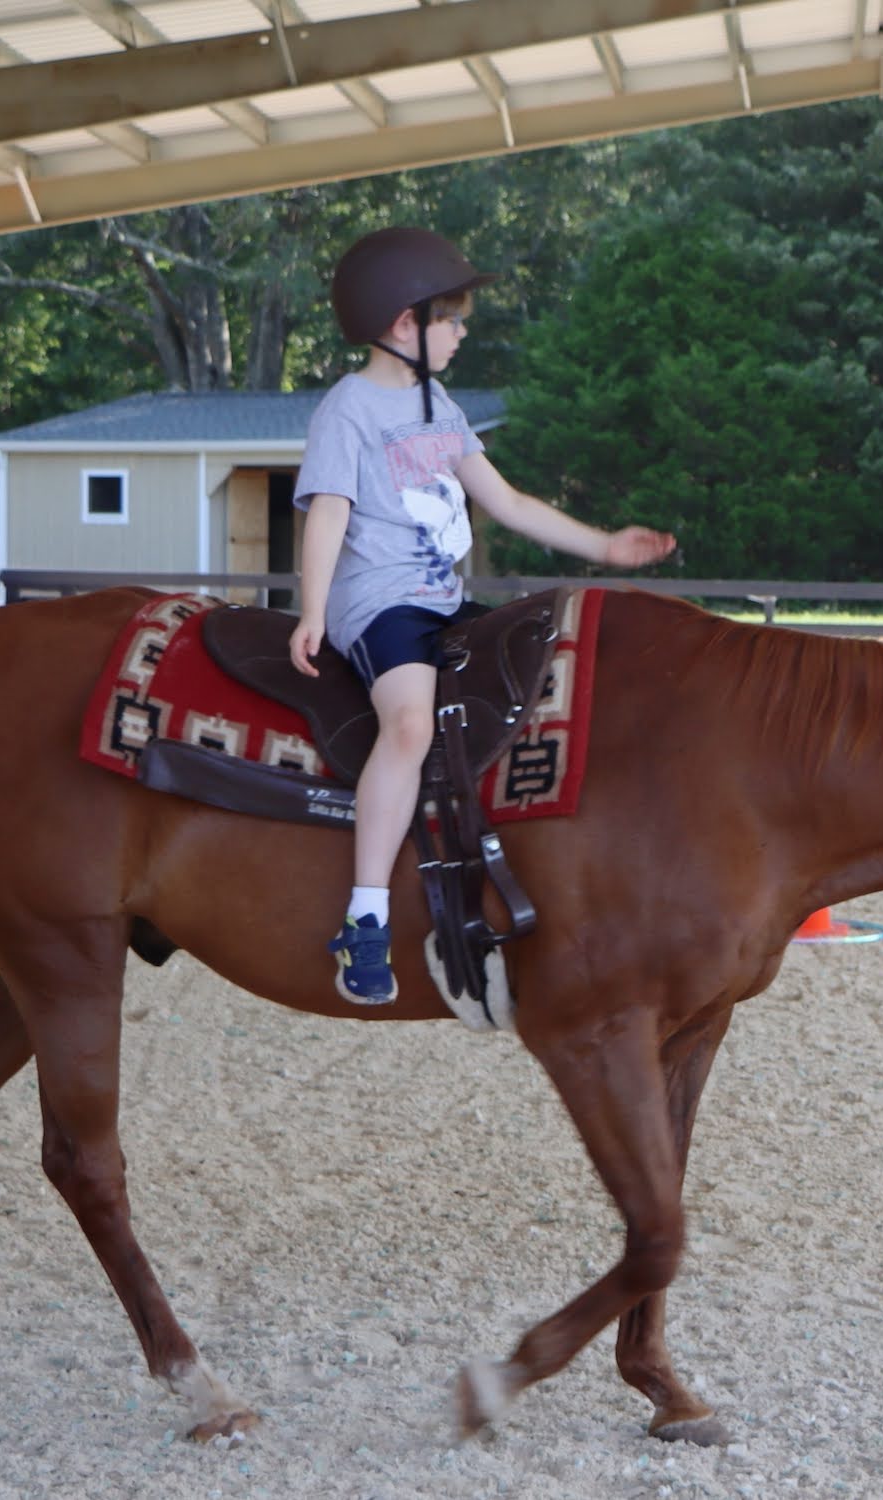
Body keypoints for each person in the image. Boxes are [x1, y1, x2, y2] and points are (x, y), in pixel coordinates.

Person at [288, 227, 676, 1005]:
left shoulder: (440, 404)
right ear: (405, 325)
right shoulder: (349, 409)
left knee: (535, 687)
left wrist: (603, 547)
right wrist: (311, 612)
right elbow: (327, 512)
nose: (463, 331)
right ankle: (364, 918)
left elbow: (506, 501)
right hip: (382, 602)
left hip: (444, 599)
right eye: (453, 318)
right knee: (409, 726)